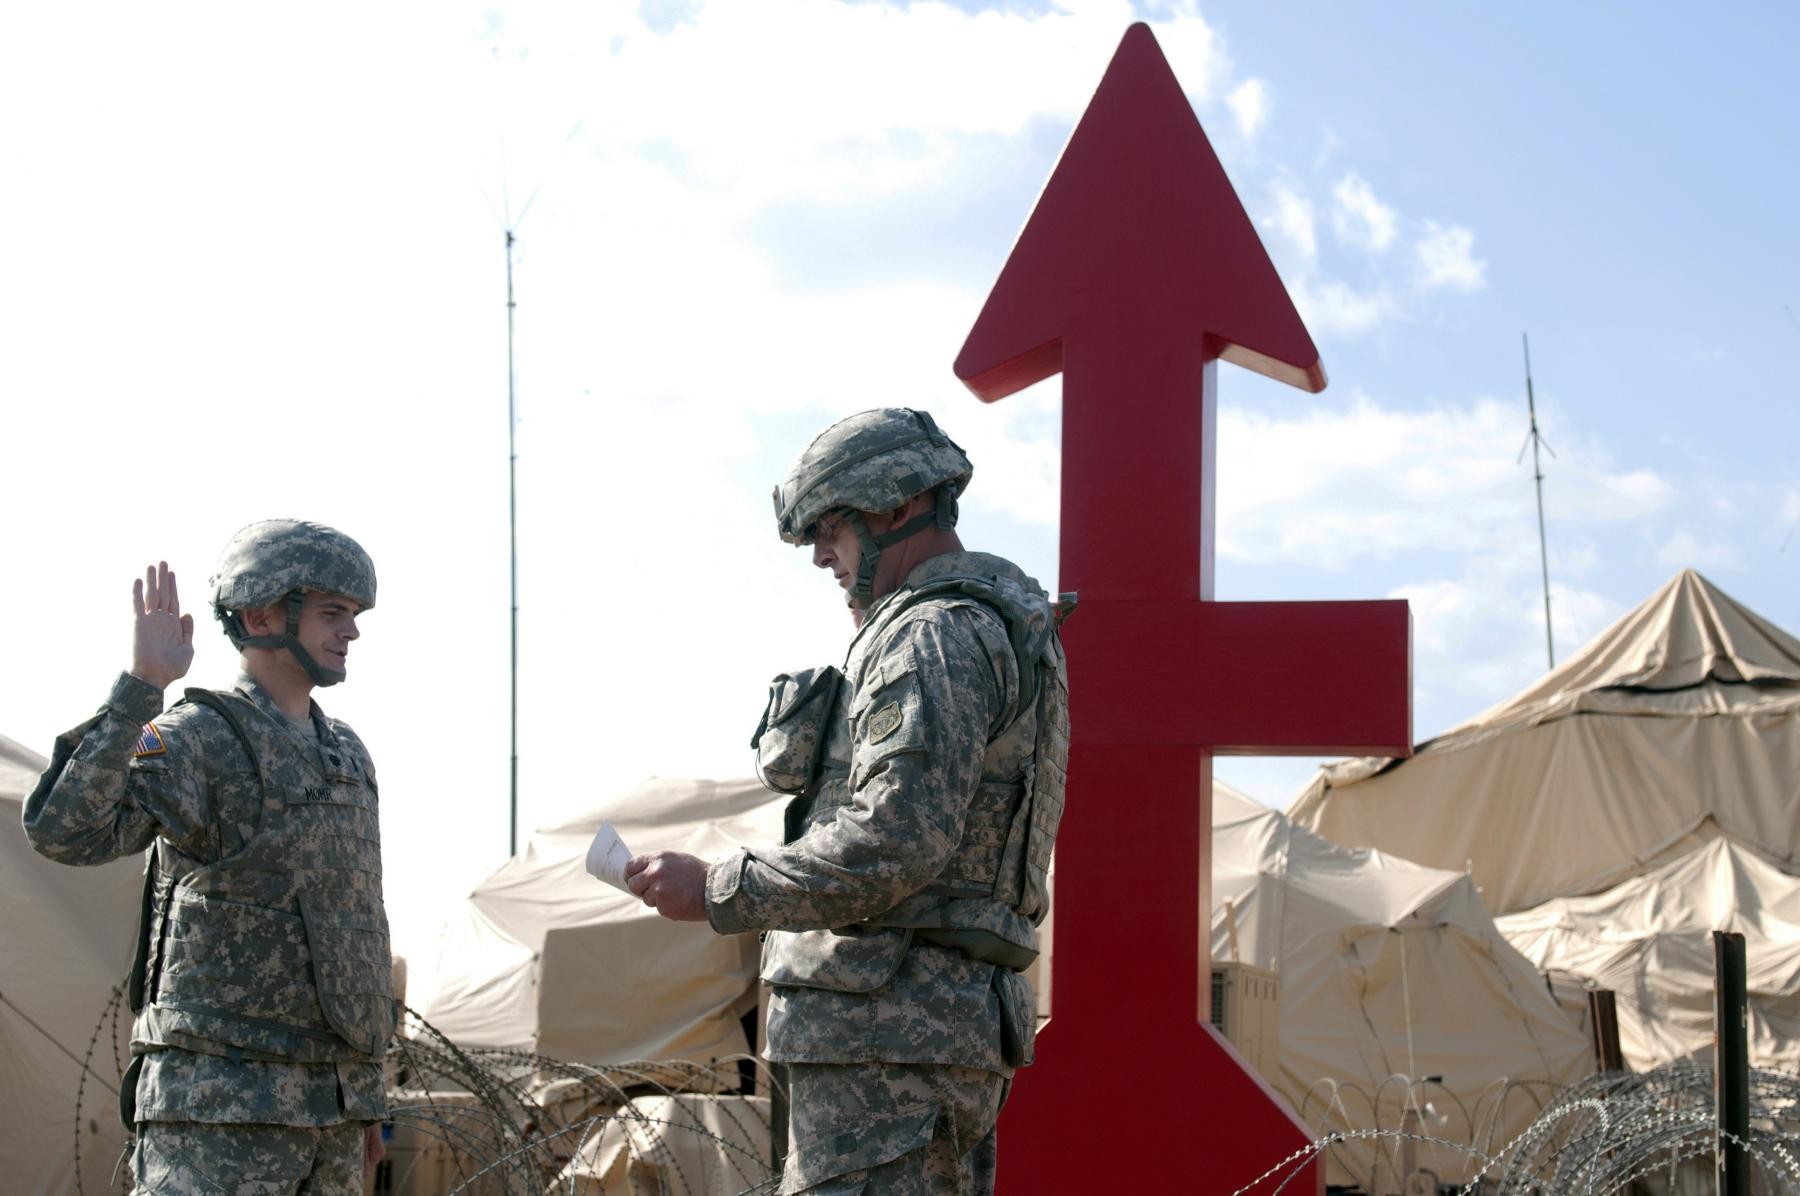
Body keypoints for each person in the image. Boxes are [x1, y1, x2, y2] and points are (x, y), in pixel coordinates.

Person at [627, 408, 1070, 1194]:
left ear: (896, 506)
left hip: (886, 1039)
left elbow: (894, 841)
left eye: (832, 528)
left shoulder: (931, 636)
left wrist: (718, 888)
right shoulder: (988, 626)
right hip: (910, 1034)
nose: (822, 556)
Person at [22, 520, 395, 1194]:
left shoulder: (349, 758)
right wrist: (142, 686)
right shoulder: (199, 739)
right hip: (219, 1118)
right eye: (332, 612)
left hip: (331, 1121)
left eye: (356, 615)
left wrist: (364, 1098)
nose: (352, 632)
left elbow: (358, 929)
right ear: (260, 614)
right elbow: (63, 830)